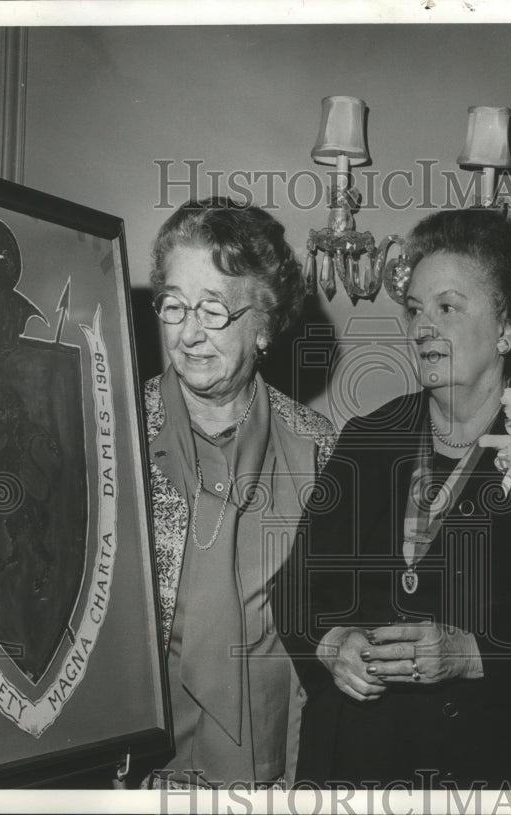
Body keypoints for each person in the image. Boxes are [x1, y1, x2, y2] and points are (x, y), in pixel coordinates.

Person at [274, 208, 511, 788]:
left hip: (490, 772)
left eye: (448, 307)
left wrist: (473, 654)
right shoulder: (368, 437)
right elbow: (294, 589)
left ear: (507, 326)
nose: (422, 328)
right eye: (414, 309)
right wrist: (332, 641)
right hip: (357, 766)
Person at [141, 198, 336, 788]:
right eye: (174, 305)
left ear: (267, 322)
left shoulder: (318, 447)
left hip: (275, 767)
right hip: (144, 770)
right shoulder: (113, 429)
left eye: (216, 309)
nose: (190, 333)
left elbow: (331, 617)